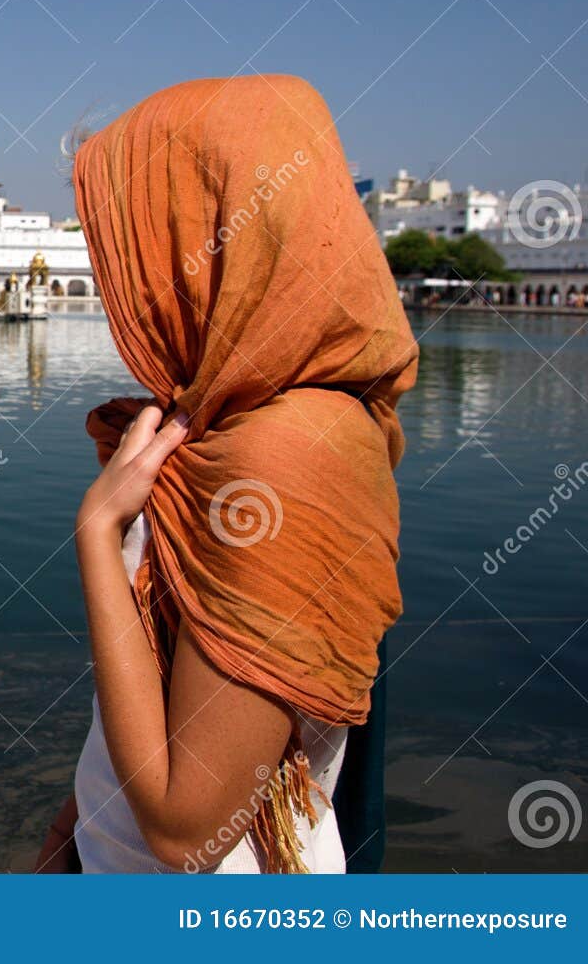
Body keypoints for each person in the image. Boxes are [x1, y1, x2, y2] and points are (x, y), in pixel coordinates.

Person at [37, 75, 418, 874]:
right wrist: (76, 821)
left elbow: (184, 828)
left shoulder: (285, 460)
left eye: (131, 242)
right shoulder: (226, 422)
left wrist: (98, 534)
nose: (117, 281)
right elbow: (162, 687)